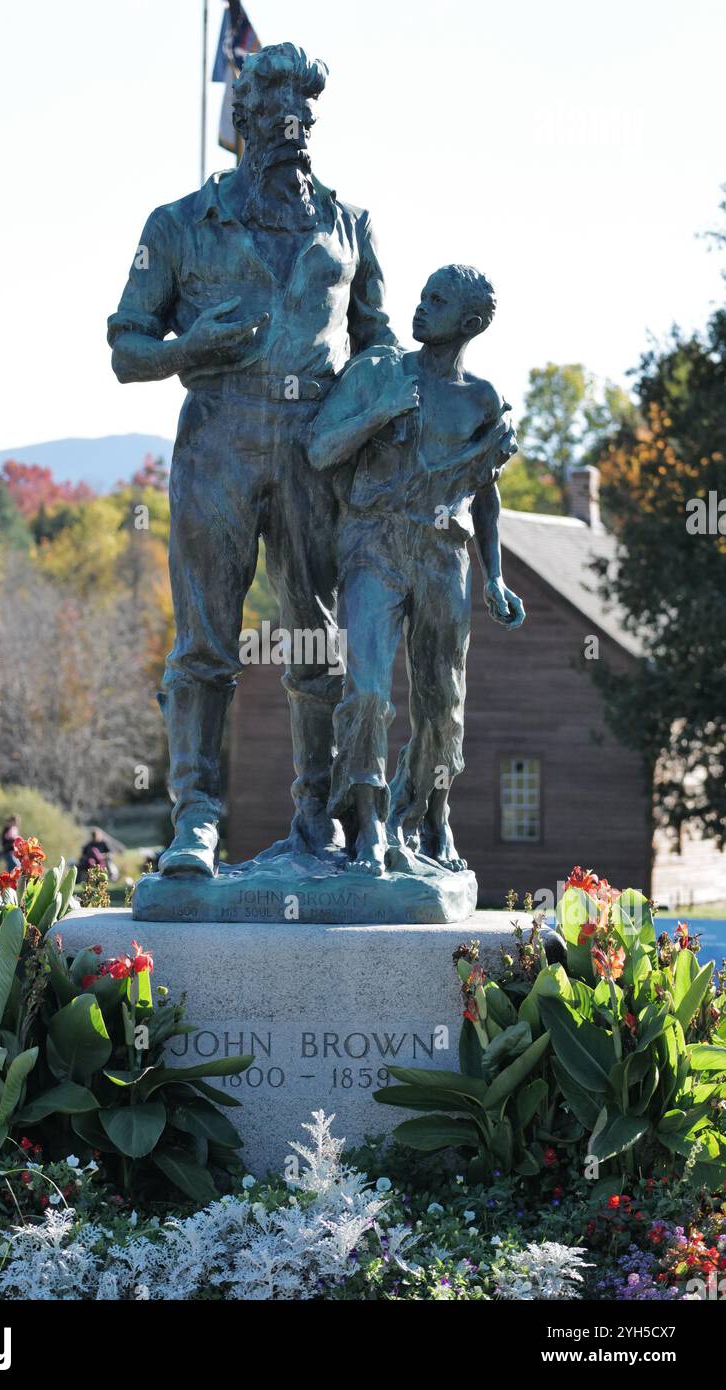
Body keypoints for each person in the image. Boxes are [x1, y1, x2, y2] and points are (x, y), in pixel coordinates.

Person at [107, 42, 396, 876]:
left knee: (317, 643)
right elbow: (127, 345)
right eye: (277, 115)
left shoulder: (349, 225)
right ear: (244, 126)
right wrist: (186, 346)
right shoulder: (178, 226)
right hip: (218, 445)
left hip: (316, 453)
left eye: (305, 116)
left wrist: (390, 399)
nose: (294, 130)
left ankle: (318, 815)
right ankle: (195, 819)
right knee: (204, 643)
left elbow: (379, 343)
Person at [307, 264, 525, 875]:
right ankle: (369, 821)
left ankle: (429, 812)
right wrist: (377, 414)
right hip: (373, 543)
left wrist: (496, 576)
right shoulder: (379, 370)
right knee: (369, 689)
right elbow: (319, 448)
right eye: (424, 294)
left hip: (442, 556)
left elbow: (485, 493)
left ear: (470, 324)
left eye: (439, 301)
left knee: (442, 700)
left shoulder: (481, 401)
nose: (422, 307)